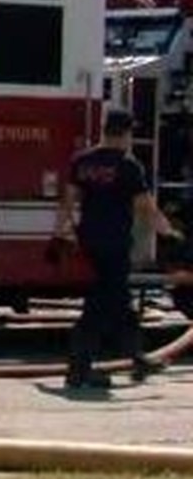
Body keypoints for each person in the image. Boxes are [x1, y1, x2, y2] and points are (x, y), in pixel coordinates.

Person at [53, 107, 181, 390]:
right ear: (125, 133)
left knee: (119, 300)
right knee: (100, 304)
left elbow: (68, 200)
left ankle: (138, 357)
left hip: (90, 240)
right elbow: (145, 207)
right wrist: (168, 233)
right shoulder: (127, 165)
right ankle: (79, 370)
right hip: (115, 242)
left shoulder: (82, 161)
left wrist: (59, 234)